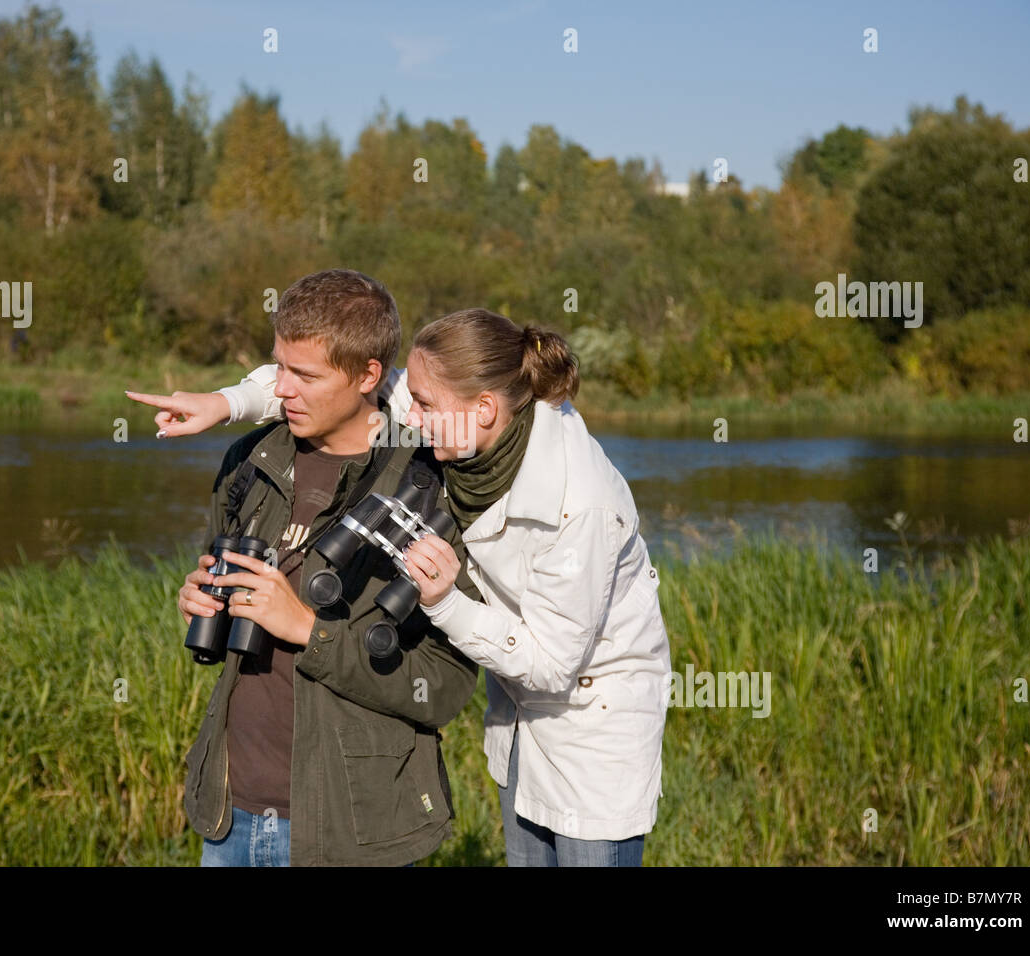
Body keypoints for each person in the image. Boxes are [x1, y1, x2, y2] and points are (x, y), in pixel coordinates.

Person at [131, 307, 671, 867]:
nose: (407, 415)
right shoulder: (464, 417)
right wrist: (223, 403)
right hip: (520, 710)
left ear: (483, 410)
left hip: (594, 718)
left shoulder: (580, 505)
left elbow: (554, 664)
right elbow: (329, 373)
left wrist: (443, 601)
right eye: (409, 397)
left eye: (425, 406)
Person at [131, 270, 479, 866]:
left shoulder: (431, 487)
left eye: (306, 376)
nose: (281, 389)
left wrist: (307, 631)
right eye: (279, 367)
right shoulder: (250, 459)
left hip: (351, 828)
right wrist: (200, 598)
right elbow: (226, 583)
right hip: (230, 808)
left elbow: (444, 686)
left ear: (369, 376)